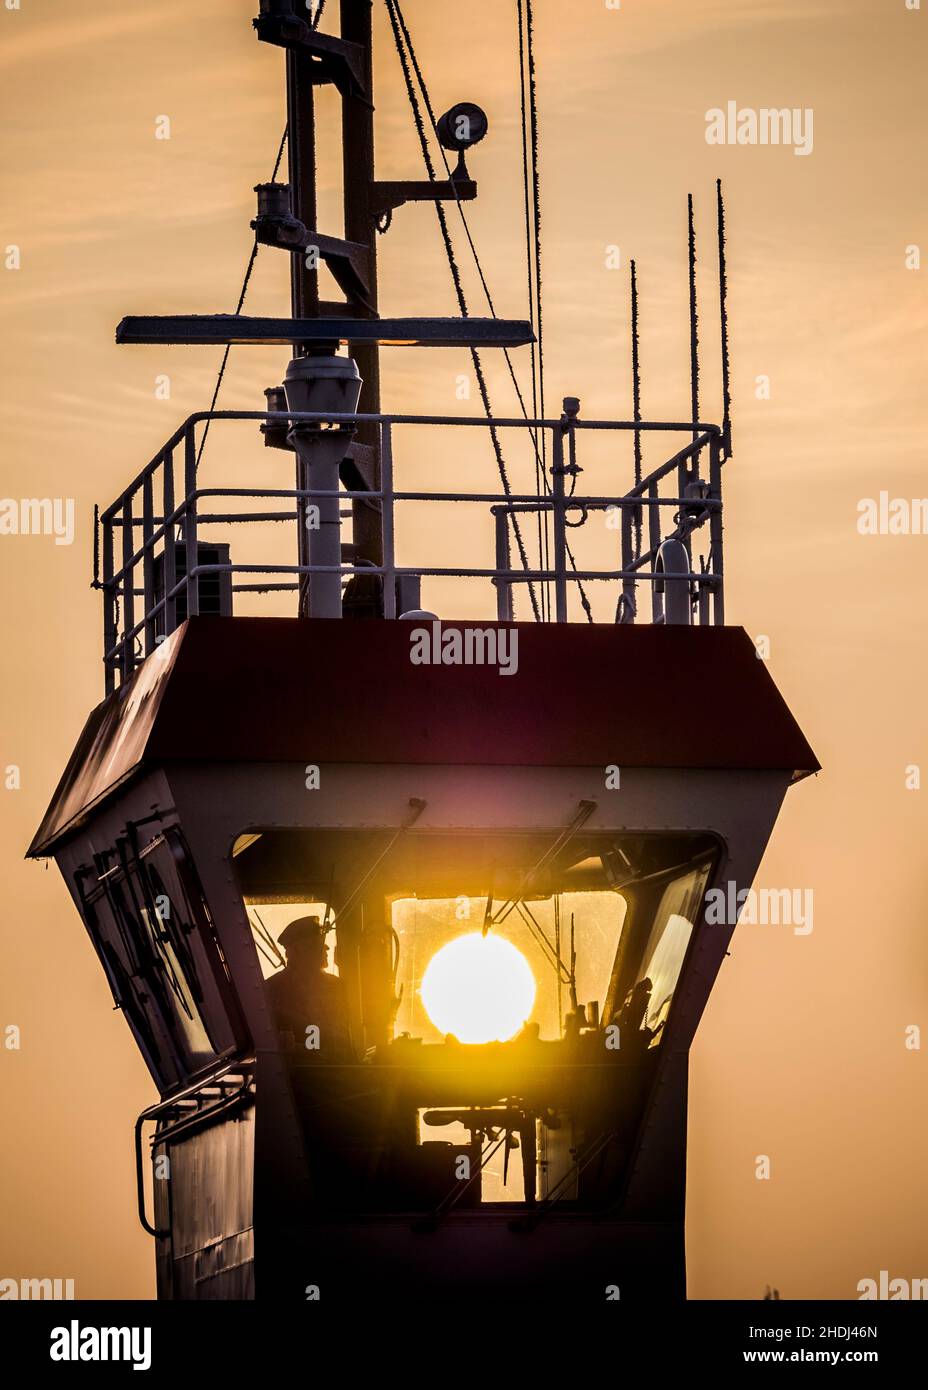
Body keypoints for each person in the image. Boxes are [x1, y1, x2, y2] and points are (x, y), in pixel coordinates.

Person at [265, 915, 352, 1060]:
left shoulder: (337, 986)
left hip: (336, 1070)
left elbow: (343, 1036)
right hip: (294, 1075)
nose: (326, 950)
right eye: (316, 946)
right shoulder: (272, 989)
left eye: (323, 945)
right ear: (296, 951)